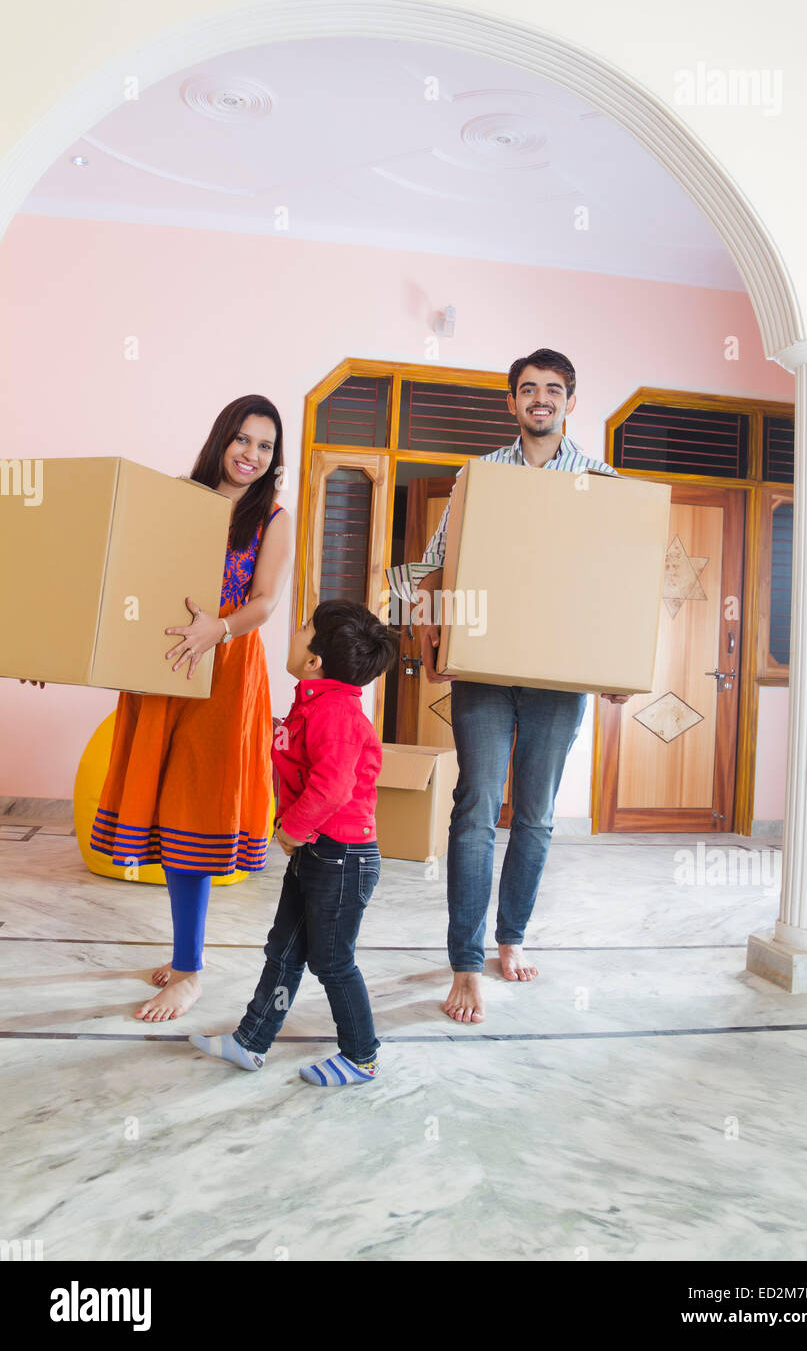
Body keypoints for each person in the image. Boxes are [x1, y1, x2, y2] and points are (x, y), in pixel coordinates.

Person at [397, 347, 629, 1025]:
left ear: (571, 401)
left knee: (535, 814)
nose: (540, 400)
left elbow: (618, 582)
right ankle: (467, 963)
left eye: (553, 390)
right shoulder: (479, 477)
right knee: (475, 808)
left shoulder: (600, 478)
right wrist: (428, 633)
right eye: (528, 389)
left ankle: (511, 937)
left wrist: (618, 662)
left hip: (561, 676)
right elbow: (432, 568)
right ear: (512, 401)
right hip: (487, 670)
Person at [89, 395, 292, 1022]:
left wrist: (218, 631)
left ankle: (190, 971)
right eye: (243, 439)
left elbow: (263, 604)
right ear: (221, 438)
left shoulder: (273, 517)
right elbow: (131, 575)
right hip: (164, 664)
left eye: (265, 446)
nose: (251, 455)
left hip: (225, 671)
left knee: (194, 814)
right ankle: (183, 955)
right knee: (160, 805)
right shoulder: (178, 496)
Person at [190, 599, 396, 1087]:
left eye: (305, 628)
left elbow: (333, 787)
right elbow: (303, 759)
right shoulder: (313, 702)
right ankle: (251, 1041)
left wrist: (289, 830)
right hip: (318, 852)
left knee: (332, 961)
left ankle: (362, 1057)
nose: (296, 630)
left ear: (314, 660)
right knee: (283, 950)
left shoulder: (336, 713)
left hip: (343, 858)